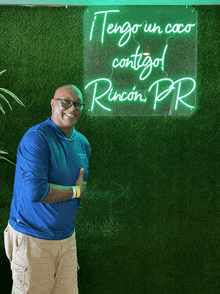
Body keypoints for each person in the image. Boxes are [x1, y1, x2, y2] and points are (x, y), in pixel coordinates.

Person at [4, 85, 91, 294]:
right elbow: (36, 192)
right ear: (53, 104)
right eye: (66, 101)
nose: (72, 108)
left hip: (66, 239)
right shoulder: (37, 138)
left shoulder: (82, 144)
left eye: (77, 104)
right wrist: (75, 192)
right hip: (33, 239)